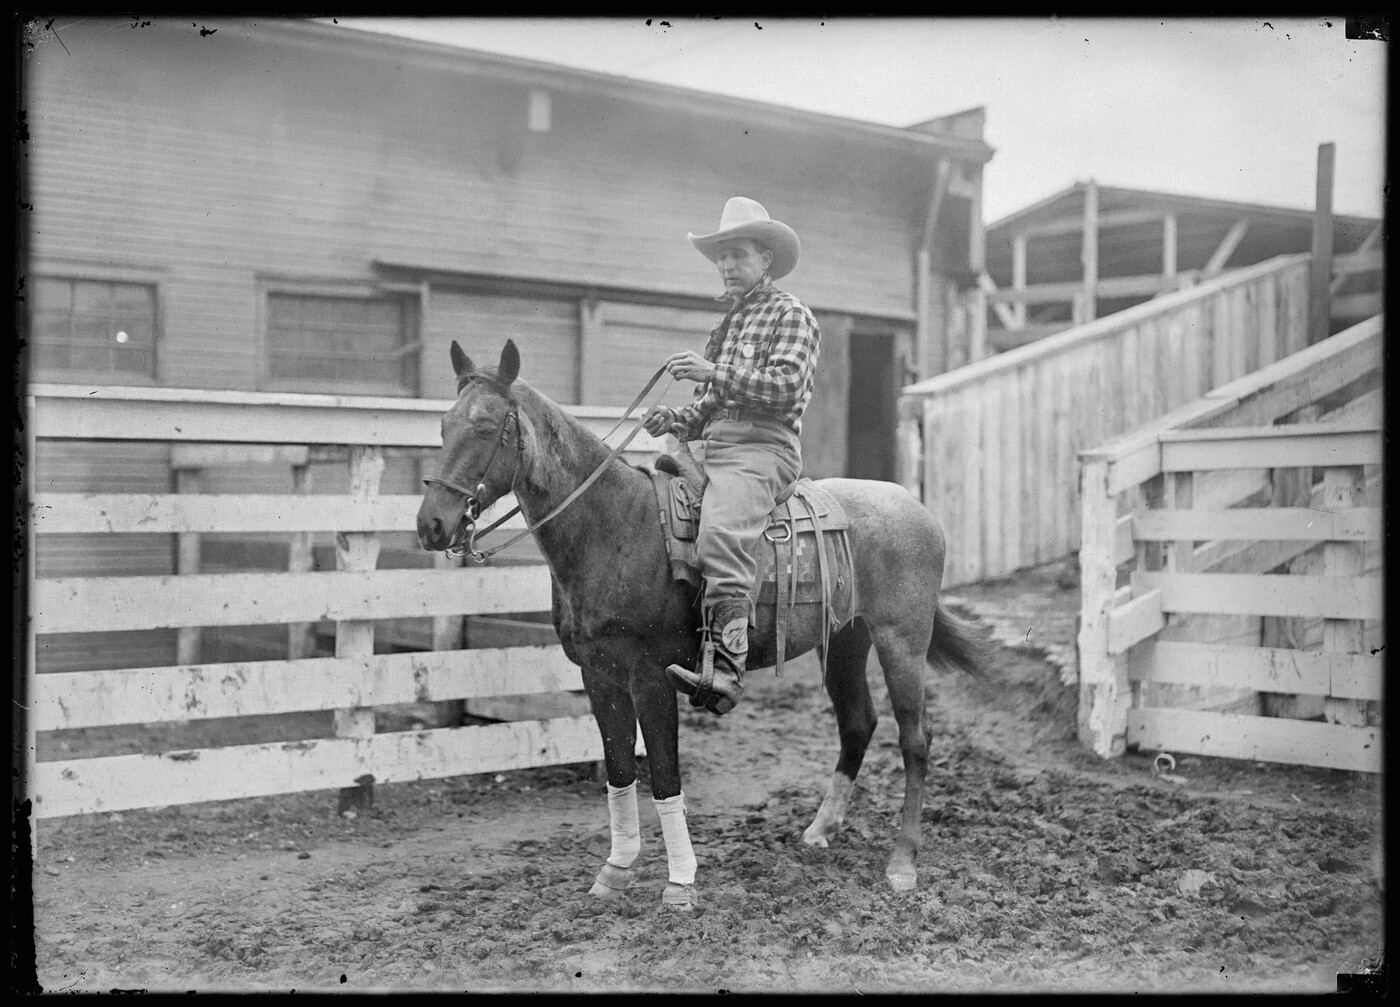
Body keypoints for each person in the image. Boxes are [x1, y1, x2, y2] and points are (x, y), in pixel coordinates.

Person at [644, 196, 821, 716]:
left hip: (764, 449)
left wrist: (714, 372)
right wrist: (674, 421)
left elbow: (787, 386)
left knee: (720, 531)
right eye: (720, 256)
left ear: (765, 258)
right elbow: (708, 408)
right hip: (717, 445)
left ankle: (726, 666)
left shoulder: (792, 315)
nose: (725, 265)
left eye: (737, 254)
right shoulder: (727, 326)